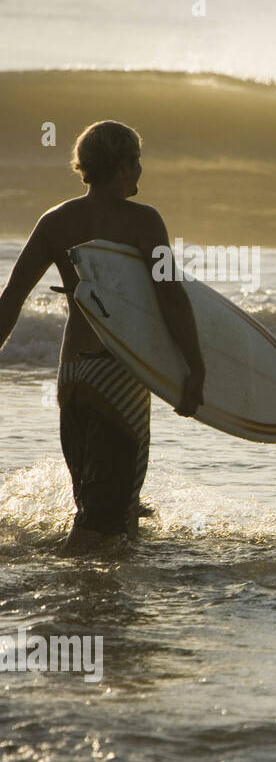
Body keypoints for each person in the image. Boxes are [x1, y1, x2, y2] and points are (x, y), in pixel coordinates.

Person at [0, 121, 205, 553]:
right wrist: (195, 367)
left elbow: (12, 297)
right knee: (102, 522)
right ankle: (69, 593)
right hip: (118, 375)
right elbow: (170, 294)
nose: (140, 173)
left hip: (73, 375)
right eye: (137, 162)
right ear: (122, 164)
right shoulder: (144, 221)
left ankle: (98, 609)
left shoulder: (55, 220)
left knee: (106, 509)